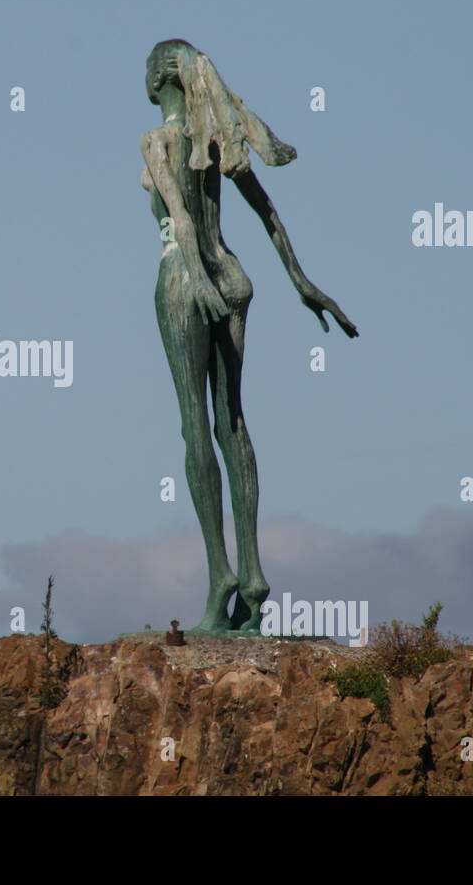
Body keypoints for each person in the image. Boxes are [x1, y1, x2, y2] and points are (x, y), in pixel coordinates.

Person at [140, 39, 359, 633]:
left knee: (195, 424)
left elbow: (181, 220)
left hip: (185, 281)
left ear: (161, 79)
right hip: (234, 275)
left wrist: (194, 278)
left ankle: (221, 581)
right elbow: (267, 211)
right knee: (232, 421)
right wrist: (302, 281)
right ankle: (255, 584)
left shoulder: (159, 141)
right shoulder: (215, 142)